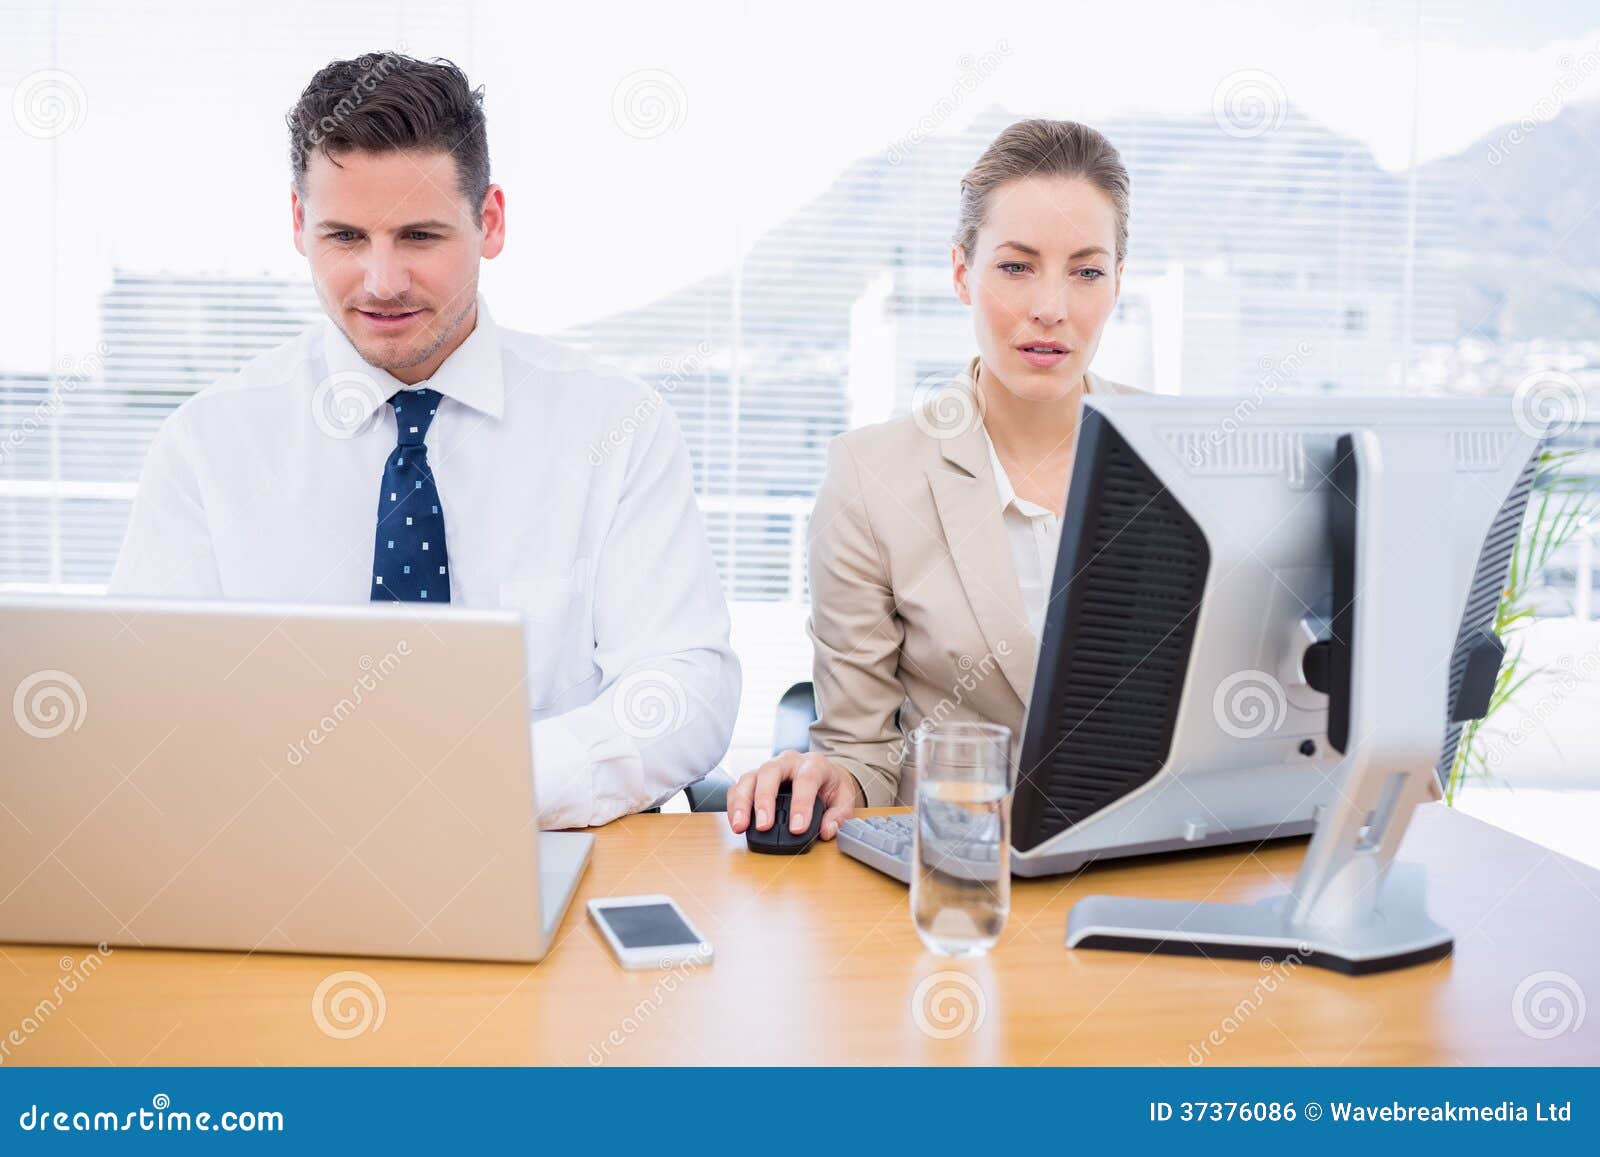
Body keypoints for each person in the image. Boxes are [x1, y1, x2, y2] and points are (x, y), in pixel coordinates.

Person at [109, 53, 739, 830]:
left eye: (418, 235)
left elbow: (684, 687)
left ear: (492, 222)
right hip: (279, 856)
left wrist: (479, 789)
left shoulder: (617, 425)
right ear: (299, 226)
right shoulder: (205, 444)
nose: (381, 280)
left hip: (539, 842)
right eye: (345, 235)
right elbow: (148, 709)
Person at [727, 118, 1142, 842]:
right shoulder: (870, 479)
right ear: (962, 273)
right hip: (957, 877)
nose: (1052, 305)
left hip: (1163, 868)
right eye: (1016, 266)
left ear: (1117, 284)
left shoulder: (1182, 455)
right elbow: (862, 752)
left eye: (1086, 270)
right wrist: (835, 775)